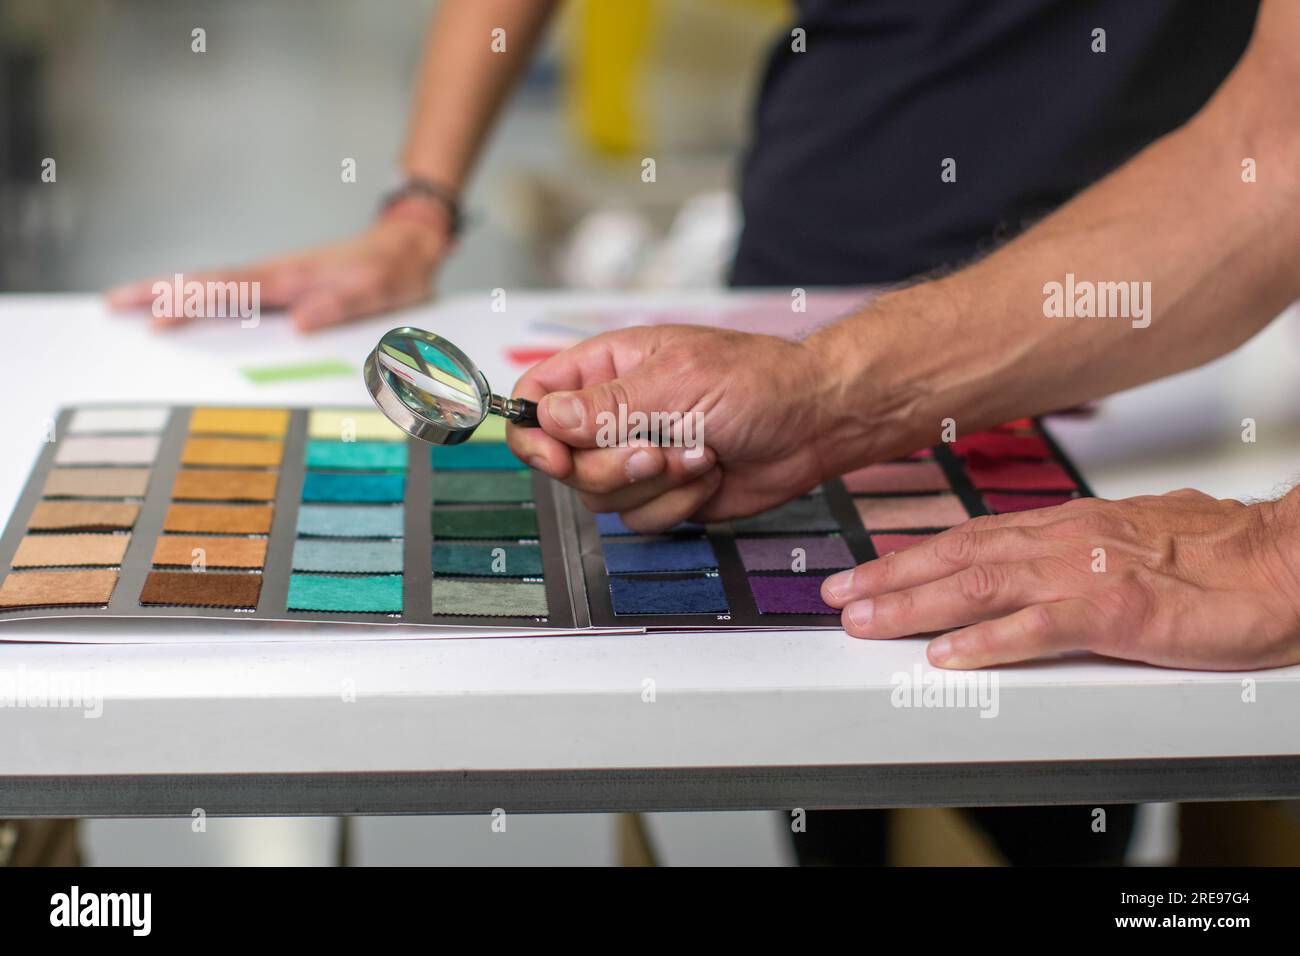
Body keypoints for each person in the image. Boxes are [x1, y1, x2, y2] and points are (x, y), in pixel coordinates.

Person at [107, 0, 1300, 864]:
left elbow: (1273, 149)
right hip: (843, 251)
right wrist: (828, 388)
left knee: (1055, 768)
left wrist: (1283, 550)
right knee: (845, 729)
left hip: (1136, 347)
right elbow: (1271, 149)